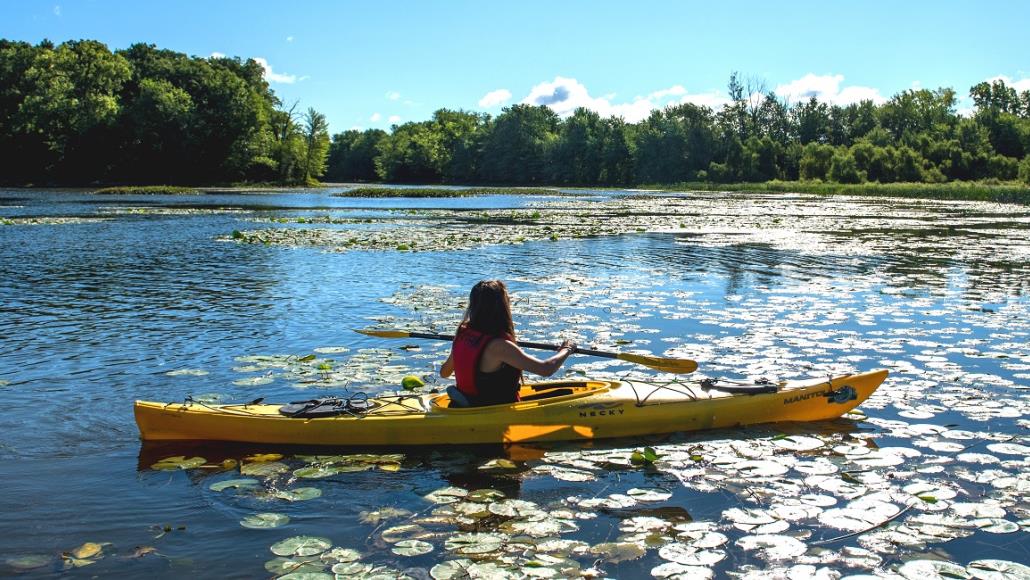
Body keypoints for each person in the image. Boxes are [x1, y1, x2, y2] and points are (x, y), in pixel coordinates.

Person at [440, 280, 576, 407]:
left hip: (465, 401)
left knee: (564, 393)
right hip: (489, 410)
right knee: (567, 395)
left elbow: (444, 373)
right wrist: (567, 348)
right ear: (501, 307)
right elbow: (546, 369)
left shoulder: (464, 333)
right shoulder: (500, 346)